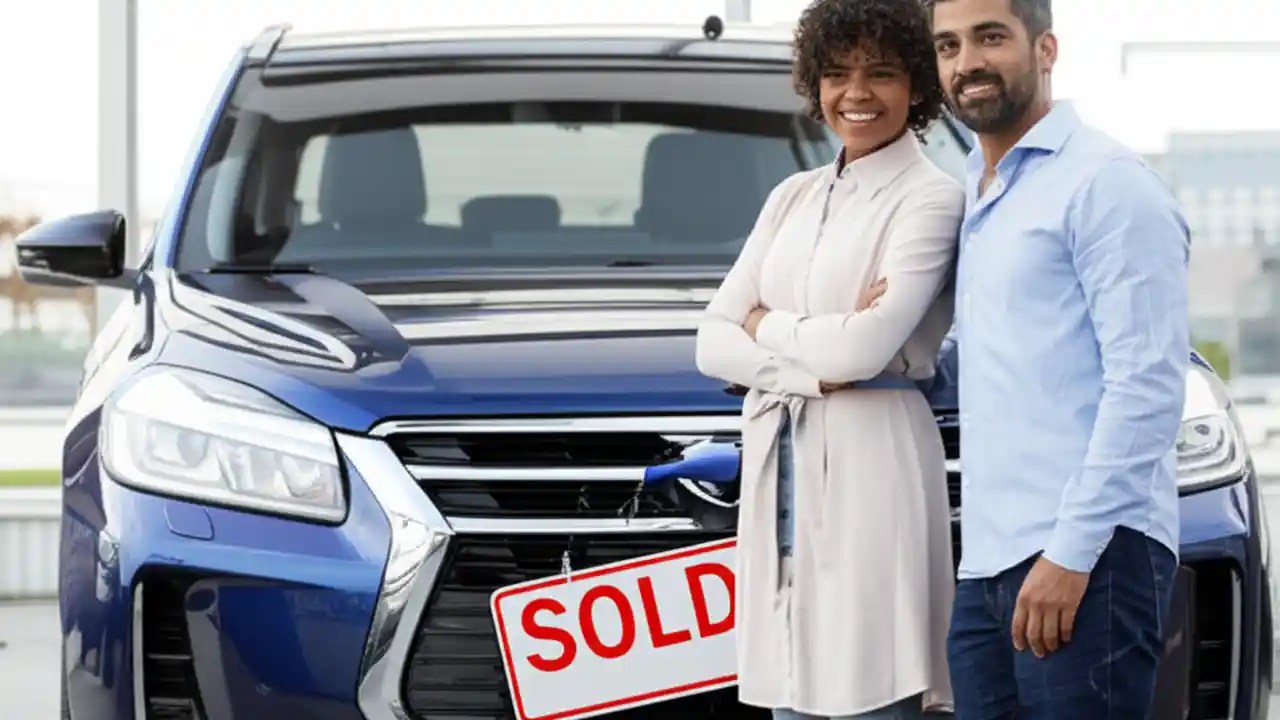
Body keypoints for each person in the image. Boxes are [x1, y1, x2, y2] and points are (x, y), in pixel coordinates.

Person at [694, 0, 964, 717]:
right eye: (838, 73)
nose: (857, 93)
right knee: (790, 682)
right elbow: (711, 340)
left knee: (872, 680)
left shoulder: (932, 199)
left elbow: (867, 347)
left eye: (882, 72)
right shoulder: (791, 196)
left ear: (918, 86)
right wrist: (817, 363)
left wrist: (764, 326)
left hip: (874, 462)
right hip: (778, 462)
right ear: (815, 81)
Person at [926, 0, 1191, 716]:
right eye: (948, 46)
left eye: (990, 37)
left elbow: (1148, 385)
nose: (967, 62)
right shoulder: (981, 196)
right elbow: (987, 365)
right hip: (988, 566)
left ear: (1045, 49)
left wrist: (1070, 554)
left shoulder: (1105, 183)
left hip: (1088, 556)